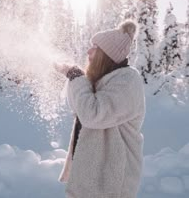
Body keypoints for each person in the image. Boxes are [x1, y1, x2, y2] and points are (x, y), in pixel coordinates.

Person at [54, 20, 145, 198]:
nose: (88, 51)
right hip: (91, 178)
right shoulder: (106, 80)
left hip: (111, 182)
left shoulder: (127, 81)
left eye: (95, 47)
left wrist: (77, 77)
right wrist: (75, 77)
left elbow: (92, 115)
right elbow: (80, 109)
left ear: (107, 54)